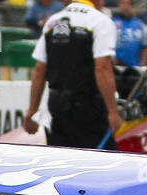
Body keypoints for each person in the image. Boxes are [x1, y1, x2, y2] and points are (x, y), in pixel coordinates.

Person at [23, 0, 122, 149]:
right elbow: (102, 67)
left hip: (56, 107)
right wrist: (113, 111)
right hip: (89, 109)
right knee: (99, 162)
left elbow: (39, 69)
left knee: (62, 162)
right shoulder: (100, 21)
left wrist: (32, 110)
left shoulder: (53, 21)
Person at [113, 0, 147, 67]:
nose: (125, 6)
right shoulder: (113, 23)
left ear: (132, 6)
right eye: (122, 3)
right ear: (119, 5)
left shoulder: (139, 24)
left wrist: (143, 64)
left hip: (135, 66)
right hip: (117, 66)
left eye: (128, 4)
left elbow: (145, 46)